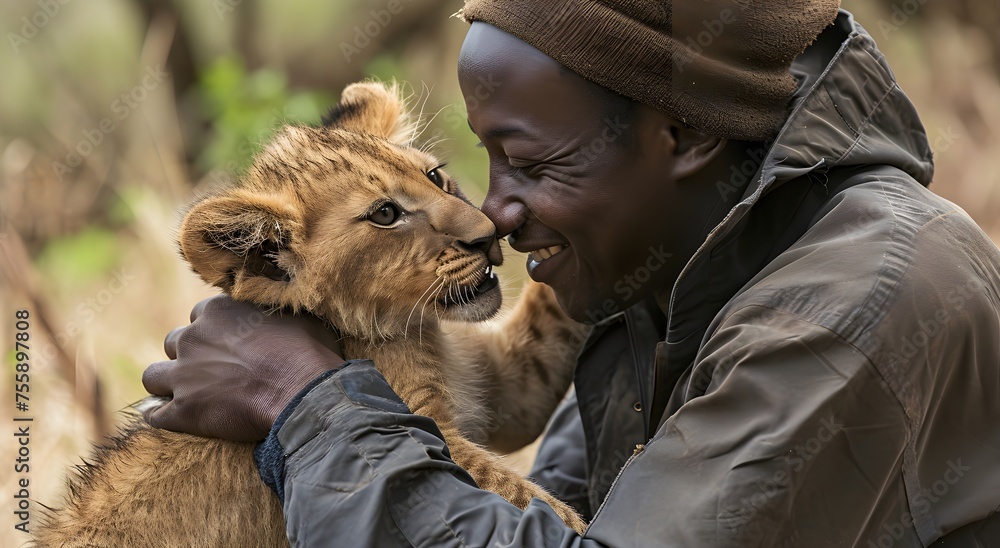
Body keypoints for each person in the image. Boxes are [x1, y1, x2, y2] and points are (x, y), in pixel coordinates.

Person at [142, 1, 1000, 545]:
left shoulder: (850, 306)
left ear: (686, 135)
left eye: (533, 164)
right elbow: (558, 505)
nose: (489, 216)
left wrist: (310, 408)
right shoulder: (676, 265)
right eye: (481, 161)